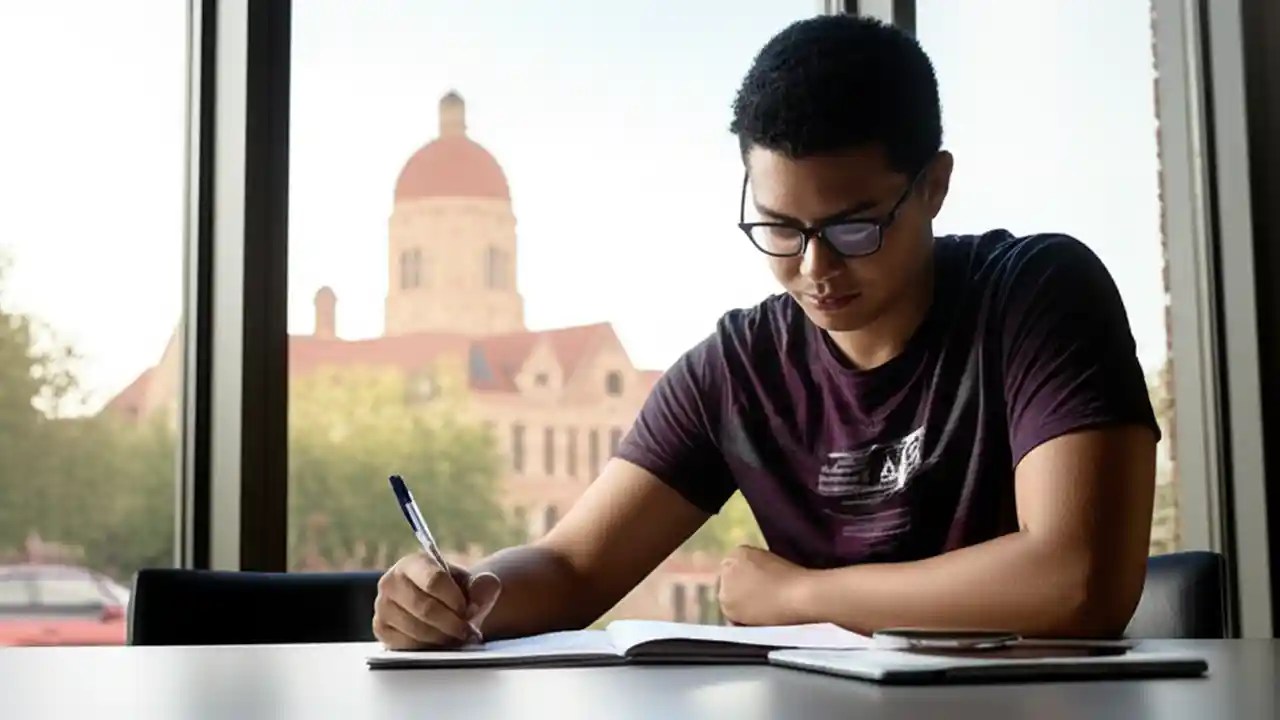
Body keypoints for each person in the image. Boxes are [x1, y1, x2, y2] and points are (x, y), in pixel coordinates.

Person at [372, 14, 1158, 650]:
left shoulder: (1036, 295)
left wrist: (802, 596)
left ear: (934, 186)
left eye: (853, 228)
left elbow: (1079, 582)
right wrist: (458, 600)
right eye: (779, 227)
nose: (814, 268)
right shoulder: (741, 369)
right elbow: (573, 566)